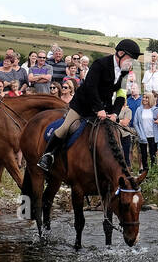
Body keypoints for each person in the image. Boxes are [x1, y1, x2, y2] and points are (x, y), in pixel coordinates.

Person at [37, 39, 140, 171]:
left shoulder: (126, 70)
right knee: (66, 127)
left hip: (105, 107)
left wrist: (114, 113)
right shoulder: (100, 64)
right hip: (83, 105)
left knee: (114, 133)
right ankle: (48, 156)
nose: (131, 63)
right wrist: (99, 109)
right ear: (120, 53)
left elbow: (121, 94)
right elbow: (91, 88)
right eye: (130, 59)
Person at [134, 91, 158, 172]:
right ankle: (145, 172)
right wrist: (140, 134)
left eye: (146, 97)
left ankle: (153, 172)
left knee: (153, 155)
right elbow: (135, 123)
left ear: (150, 99)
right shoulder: (139, 109)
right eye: (143, 97)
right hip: (143, 135)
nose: (144, 99)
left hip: (153, 135)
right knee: (144, 155)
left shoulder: (155, 109)